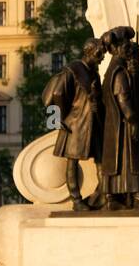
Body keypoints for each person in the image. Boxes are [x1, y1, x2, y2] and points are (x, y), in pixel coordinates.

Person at [43, 38, 106, 211]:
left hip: (93, 123)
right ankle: (76, 200)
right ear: (90, 52)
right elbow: (56, 93)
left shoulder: (93, 71)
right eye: (99, 54)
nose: (102, 58)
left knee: (101, 159)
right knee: (72, 161)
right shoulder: (74, 69)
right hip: (76, 124)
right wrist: (57, 120)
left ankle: (103, 194)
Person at [99, 28, 139, 210]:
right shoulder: (119, 71)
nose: (129, 46)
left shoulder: (115, 69)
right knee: (131, 159)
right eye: (125, 44)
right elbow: (124, 98)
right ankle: (137, 196)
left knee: (121, 161)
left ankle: (112, 197)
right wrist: (133, 120)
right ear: (118, 48)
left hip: (115, 125)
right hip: (124, 126)